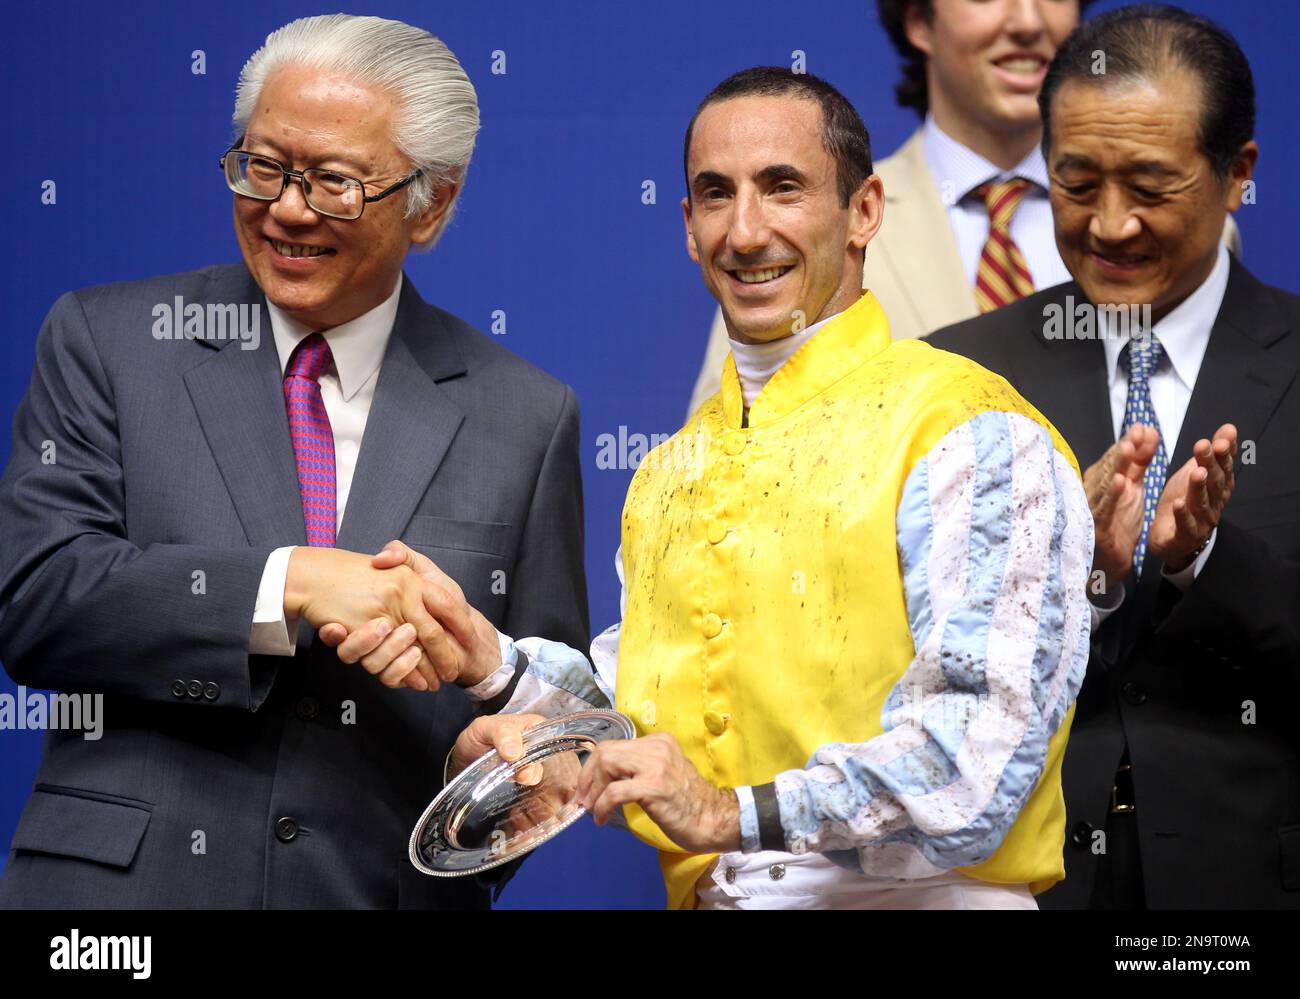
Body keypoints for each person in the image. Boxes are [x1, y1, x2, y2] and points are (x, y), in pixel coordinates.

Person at [340, 67, 1095, 910]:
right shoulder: (671, 472)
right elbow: (652, 733)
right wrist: (492, 663)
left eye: (783, 188)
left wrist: (729, 811)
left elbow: (975, 767)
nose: (745, 230)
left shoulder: (973, 428)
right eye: (714, 195)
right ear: (688, 229)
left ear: (865, 211)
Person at [0, 14, 587, 909]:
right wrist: (291, 583)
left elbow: (551, 720)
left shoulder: (526, 415)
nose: (286, 207)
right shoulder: (109, 340)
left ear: (431, 201)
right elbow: (36, 595)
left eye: (337, 183)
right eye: (264, 165)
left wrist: (492, 790)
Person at [929, 4, 1300, 908]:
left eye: (1150, 185)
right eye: (1077, 181)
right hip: (1025, 883)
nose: (1111, 225)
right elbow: (915, 666)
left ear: (1236, 173)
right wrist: (1078, 579)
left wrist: (1204, 560)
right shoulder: (961, 375)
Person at [685, 0, 1095, 415]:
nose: (1028, 21)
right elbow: (725, 457)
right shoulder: (818, 220)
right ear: (918, 20)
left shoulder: (1137, 224)